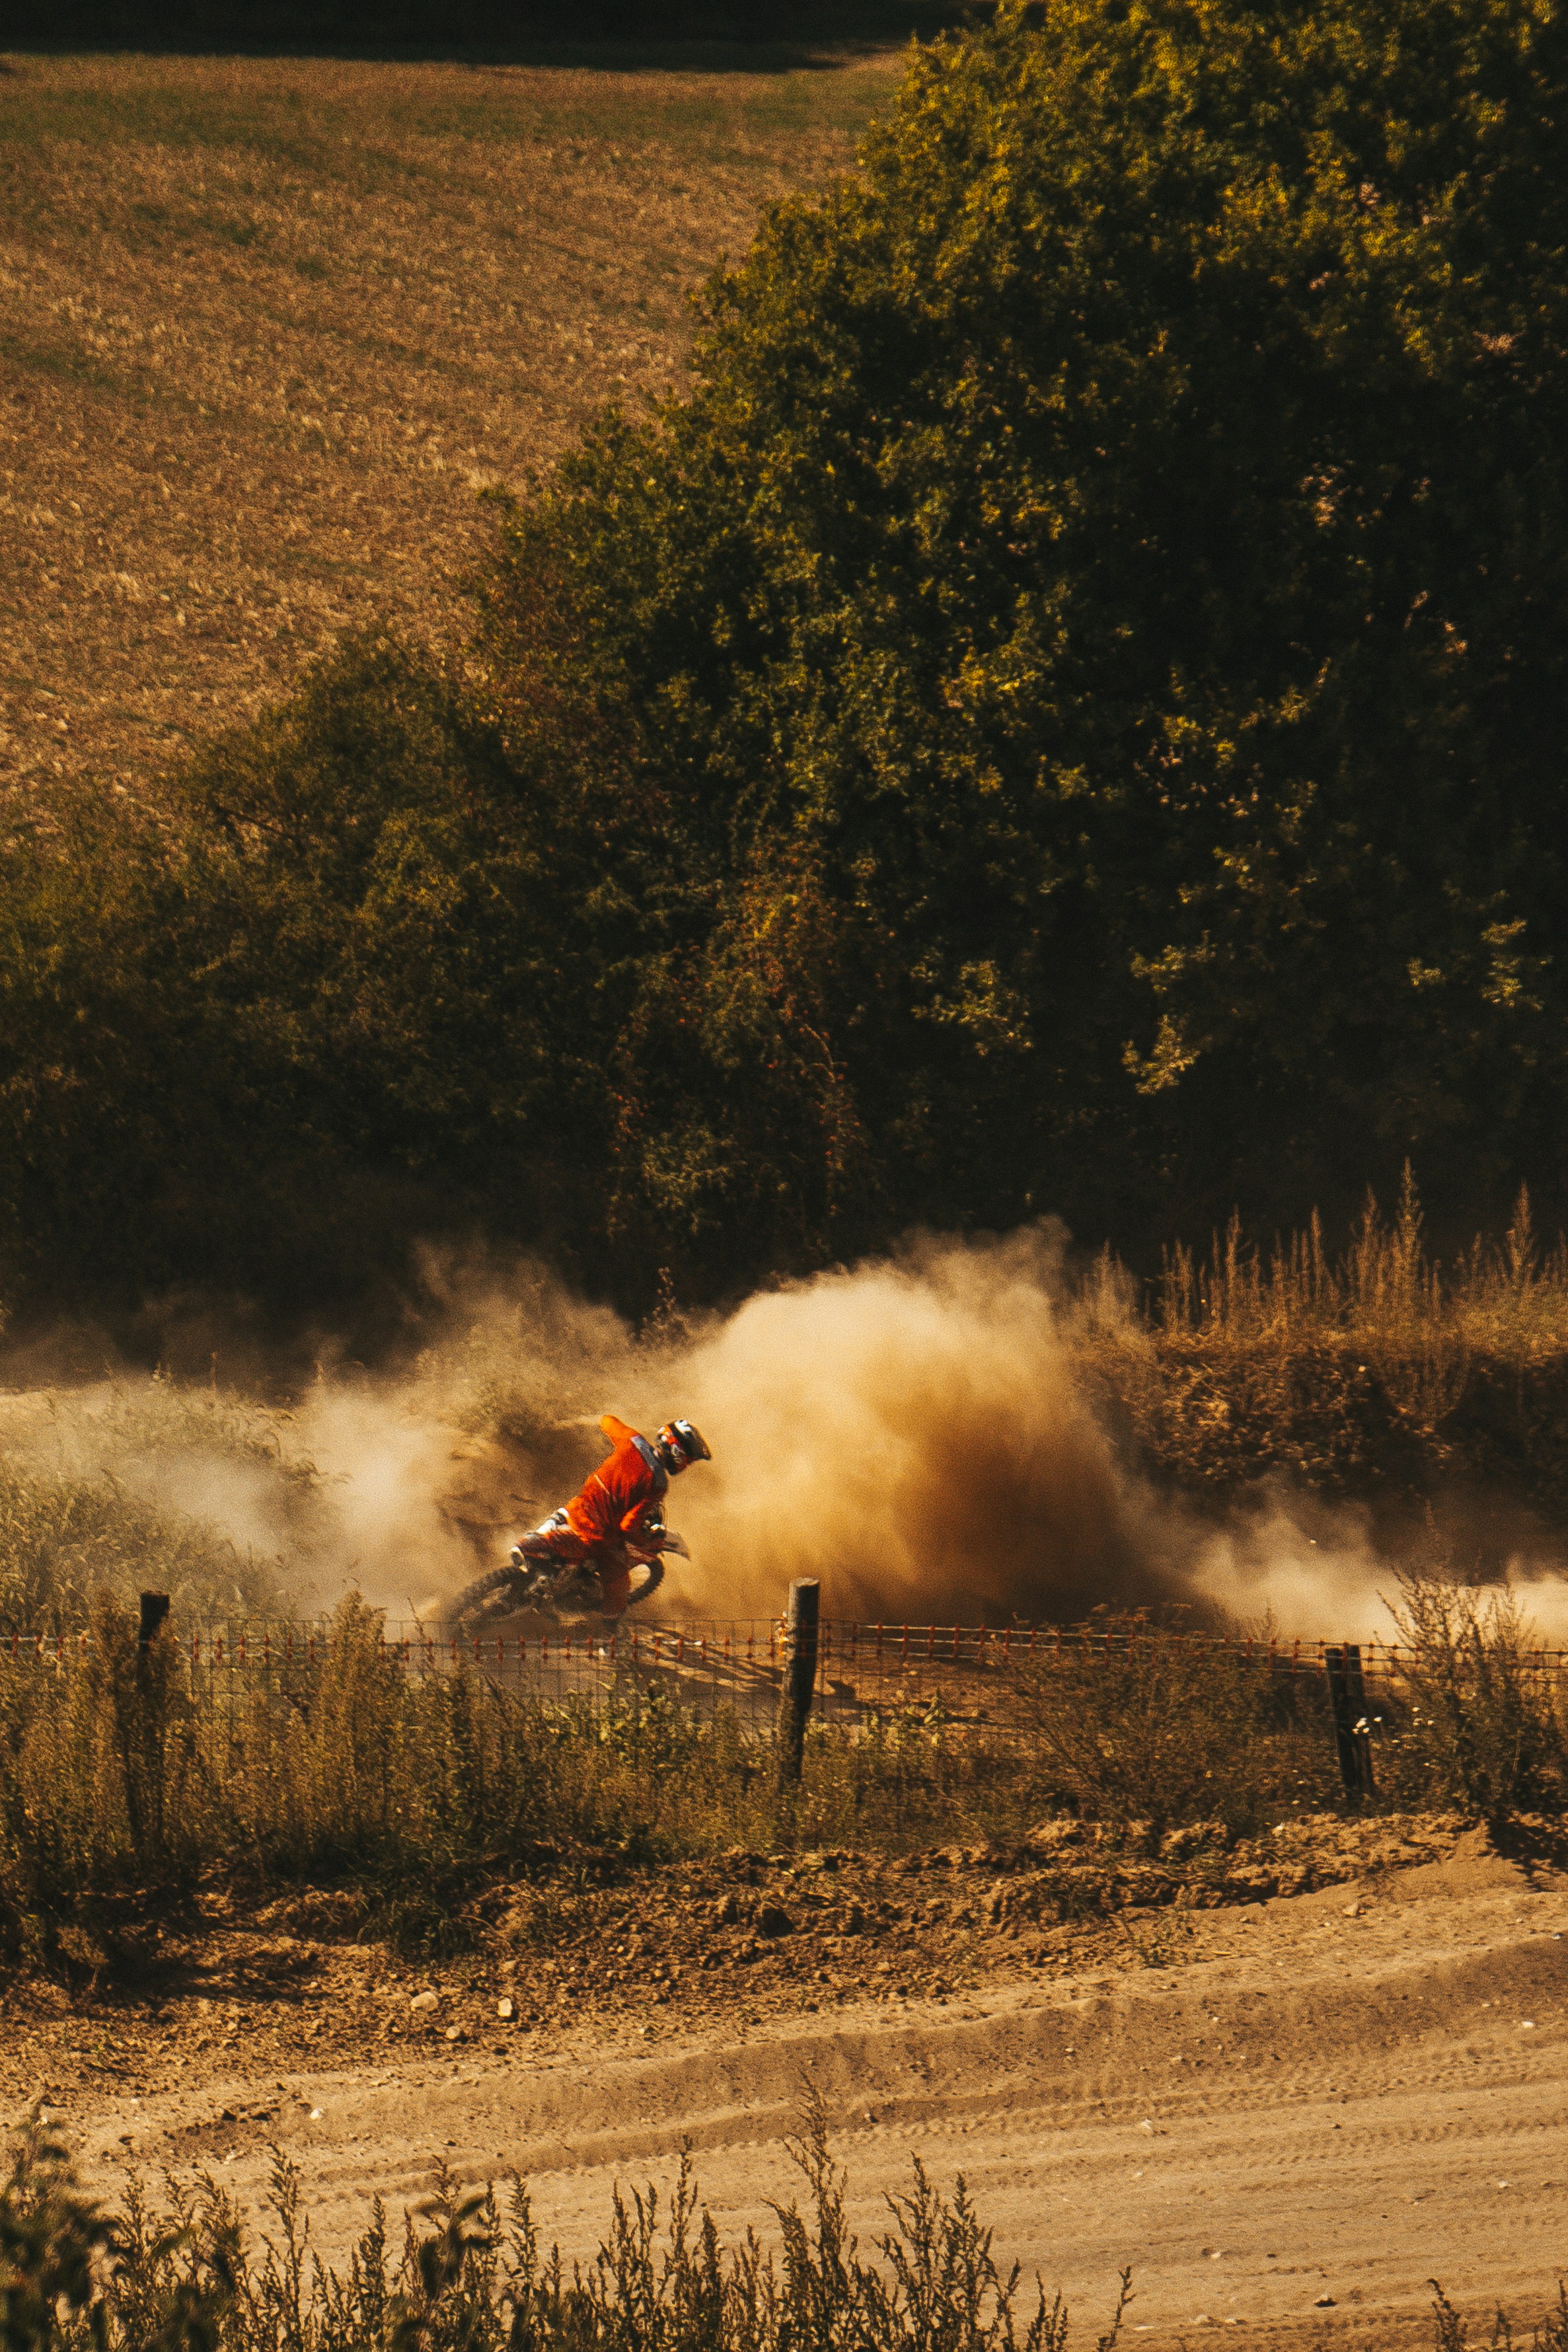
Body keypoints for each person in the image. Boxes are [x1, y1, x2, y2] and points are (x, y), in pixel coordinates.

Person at [511, 1416, 711, 1616]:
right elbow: (628, 1525)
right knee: (618, 1583)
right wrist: (641, 1538)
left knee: (560, 1517)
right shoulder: (658, 1483)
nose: (687, 1464)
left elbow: (607, 1421)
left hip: (578, 1508)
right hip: (599, 1534)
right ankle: (612, 1637)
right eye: (689, 1460)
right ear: (678, 1453)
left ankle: (538, 1550)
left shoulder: (633, 1441)